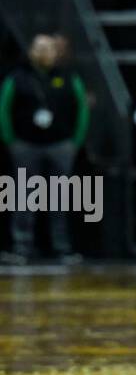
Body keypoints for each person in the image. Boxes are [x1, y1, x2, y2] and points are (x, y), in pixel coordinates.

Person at [0, 34, 88, 264]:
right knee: (23, 198)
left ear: (55, 53)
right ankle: (21, 247)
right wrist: (11, 141)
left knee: (60, 198)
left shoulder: (69, 78)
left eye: (48, 48)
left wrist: (74, 142)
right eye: (39, 48)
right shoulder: (17, 78)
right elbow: (4, 109)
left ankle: (62, 247)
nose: (43, 53)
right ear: (31, 52)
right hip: (26, 146)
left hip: (59, 146)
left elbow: (82, 109)